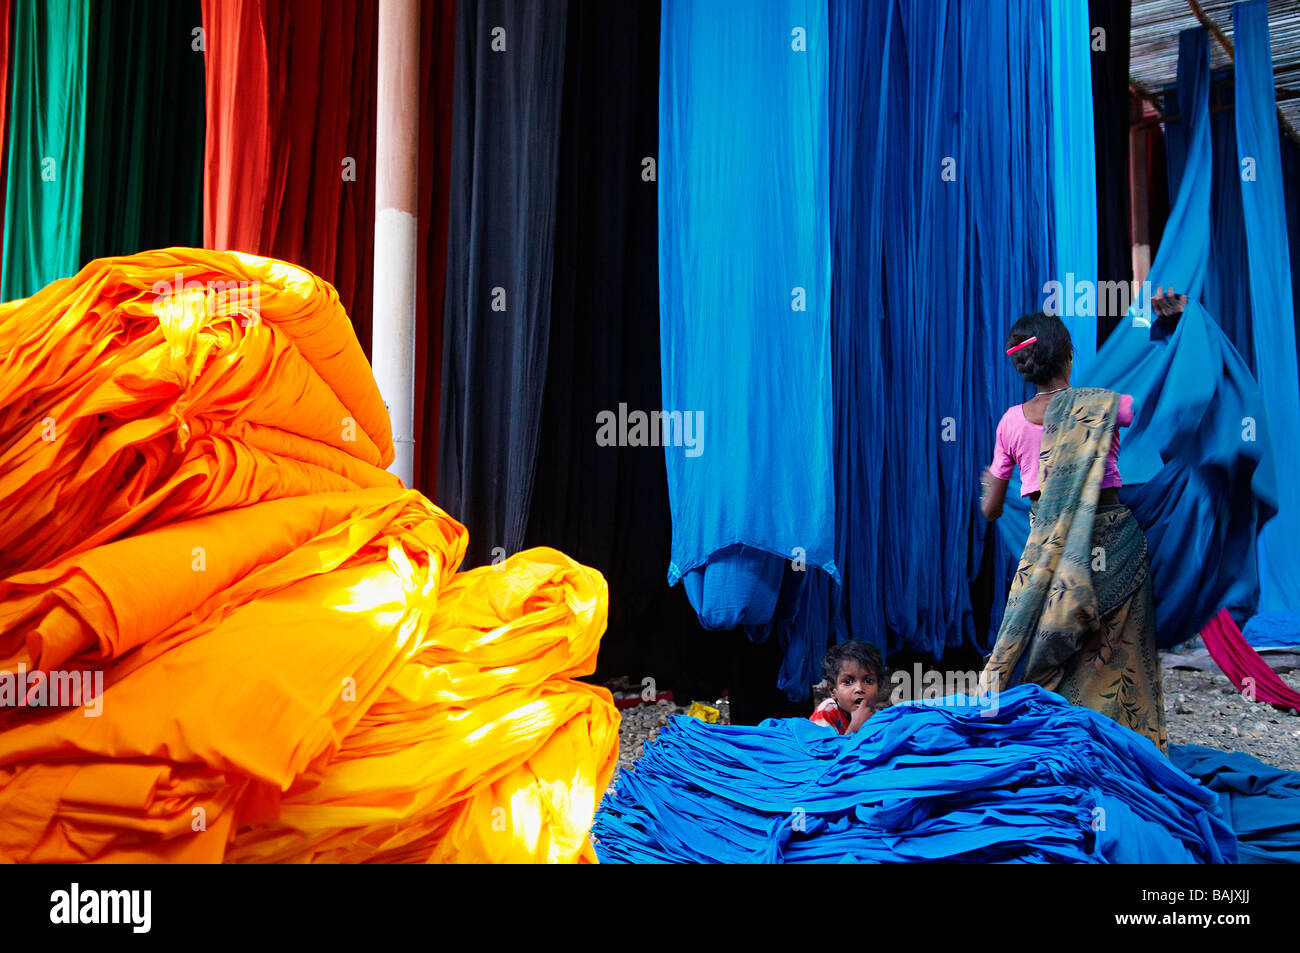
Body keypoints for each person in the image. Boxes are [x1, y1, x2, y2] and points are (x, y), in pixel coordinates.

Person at [977, 296, 1185, 755]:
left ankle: (1065, 751)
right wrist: (1175, 333)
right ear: (1070, 357)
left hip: (1049, 559)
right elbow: (1162, 402)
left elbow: (991, 509)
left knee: (1057, 657)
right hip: (1116, 547)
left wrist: (993, 479)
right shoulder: (1102, 406)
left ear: (1023, 368)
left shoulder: (1010, 423)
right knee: (1121, 657)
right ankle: (1128, 753)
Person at [810, 640, 885, 734]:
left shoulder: (878, 717)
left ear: (878, 688)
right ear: (833, 691)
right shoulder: (827, 711)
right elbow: (824, 748)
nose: (859, 689)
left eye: (868, 681)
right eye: (848, 682)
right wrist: (855, 728)